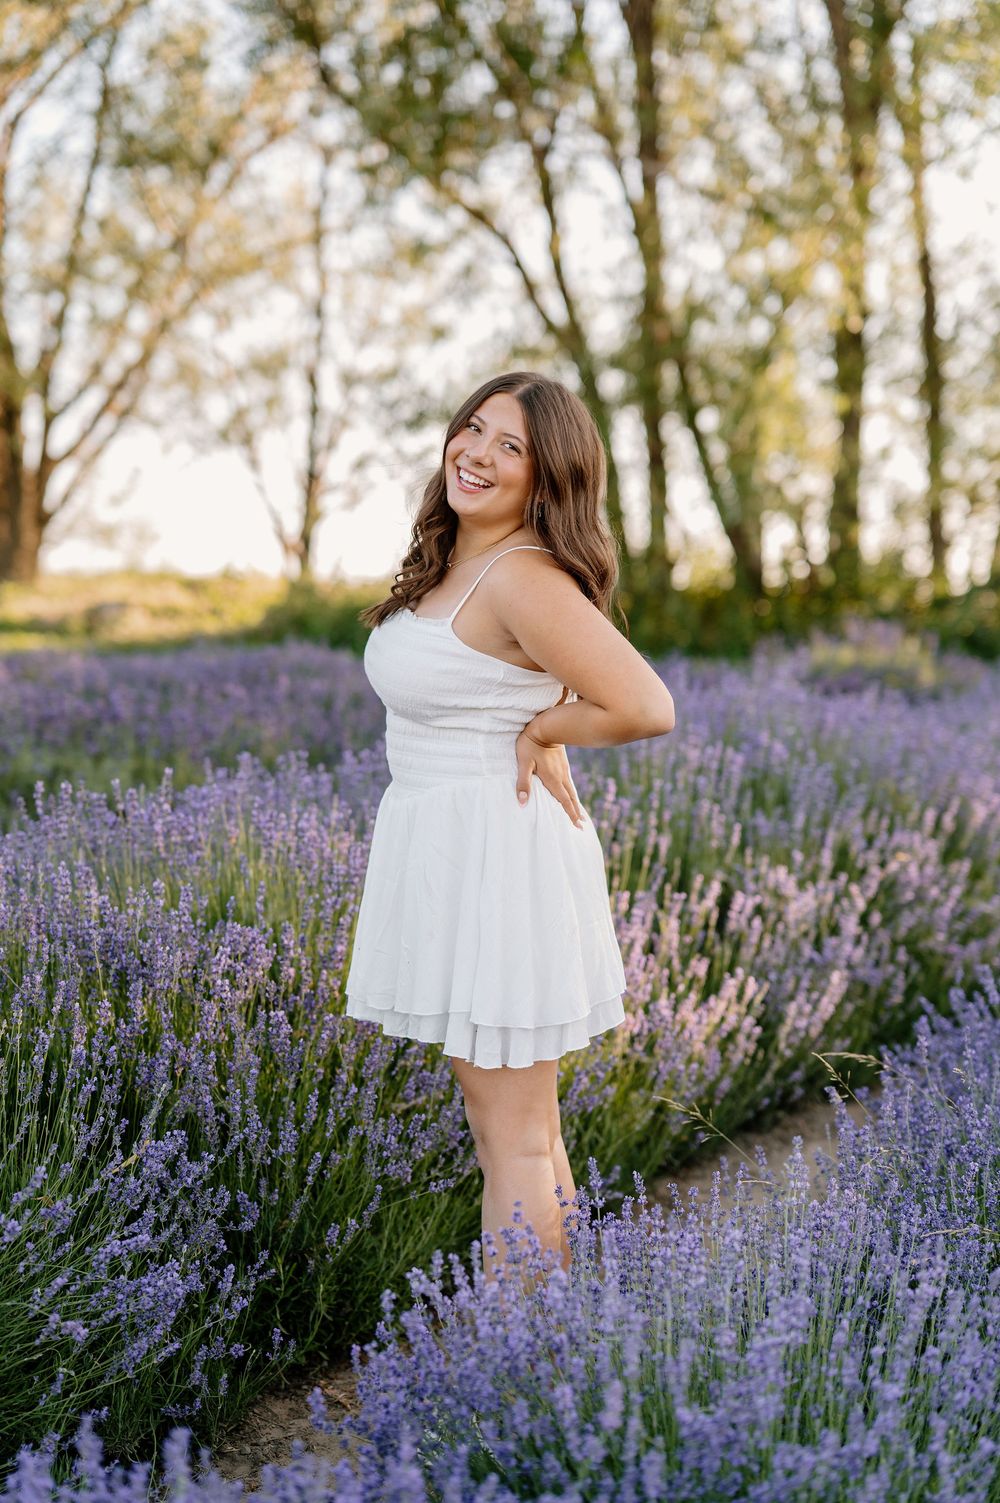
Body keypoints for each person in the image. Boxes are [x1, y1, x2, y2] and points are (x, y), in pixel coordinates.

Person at [345, 370, 675, 1280]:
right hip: (449, 847)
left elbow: (646, 703)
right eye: (473, 429)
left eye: (511, 446)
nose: (478, 455)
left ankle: (519, 1360)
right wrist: (534, 712)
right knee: (518, 1127)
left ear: (547, 477)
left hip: (498, 856)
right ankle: (548, 1340)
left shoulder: (521, 575)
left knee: (514, 1134)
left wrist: (544, 726)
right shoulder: (454, 561)